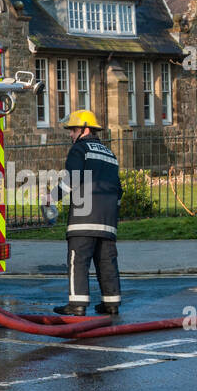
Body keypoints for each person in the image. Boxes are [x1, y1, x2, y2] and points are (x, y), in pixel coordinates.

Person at [44, 110, 122, 316]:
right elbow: (119, 190)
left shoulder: (80, 149)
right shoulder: (110, 154)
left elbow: (73, 178)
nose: (70, 134)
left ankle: (77, 305)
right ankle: (111, 303)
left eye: (73, 130)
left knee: (77, 261)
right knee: (107, 262)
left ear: (85, 130)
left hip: (84, 218)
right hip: (108, 220)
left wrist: (51, 197)